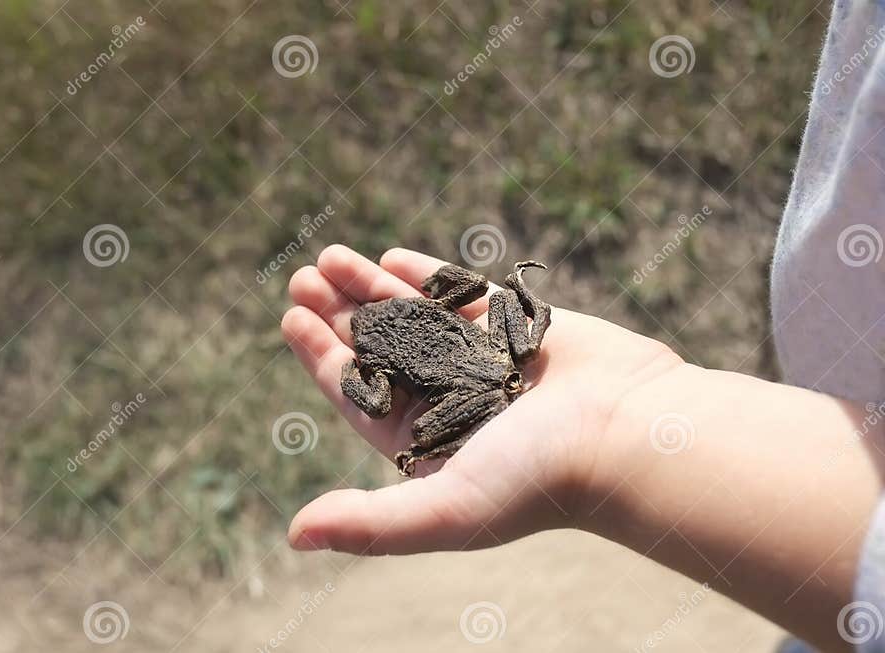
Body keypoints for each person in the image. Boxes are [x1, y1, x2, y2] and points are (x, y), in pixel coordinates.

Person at [281, 4, 885, 652]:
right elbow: (449, 293)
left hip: (476, 381)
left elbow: (378, 398)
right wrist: (489, 295)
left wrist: (357, 375)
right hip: (486, 354)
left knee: (425, 426)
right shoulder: (421, 311)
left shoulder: (378, 360)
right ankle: (520, 294)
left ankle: (491, 342)